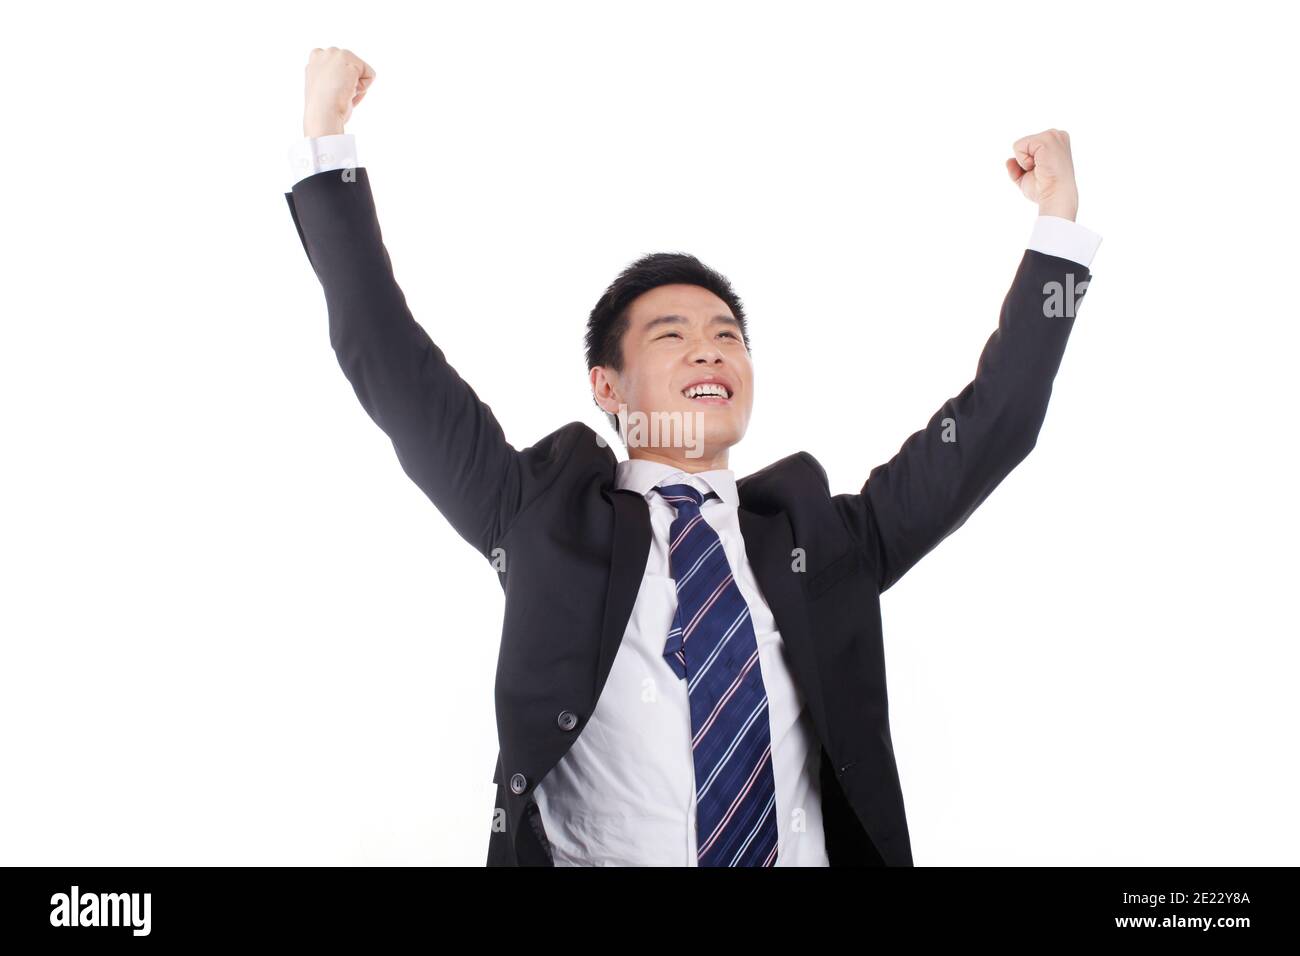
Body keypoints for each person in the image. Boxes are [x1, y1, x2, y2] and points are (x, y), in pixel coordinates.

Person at [284, 47, 1101, 866]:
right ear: (607, 386)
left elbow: (997, 422)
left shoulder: (825, 540)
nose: (709, 353)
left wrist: (1058, 224)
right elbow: (389, 358)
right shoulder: (533, 514)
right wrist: (327, 139)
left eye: (728, 338)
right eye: (672, 337)